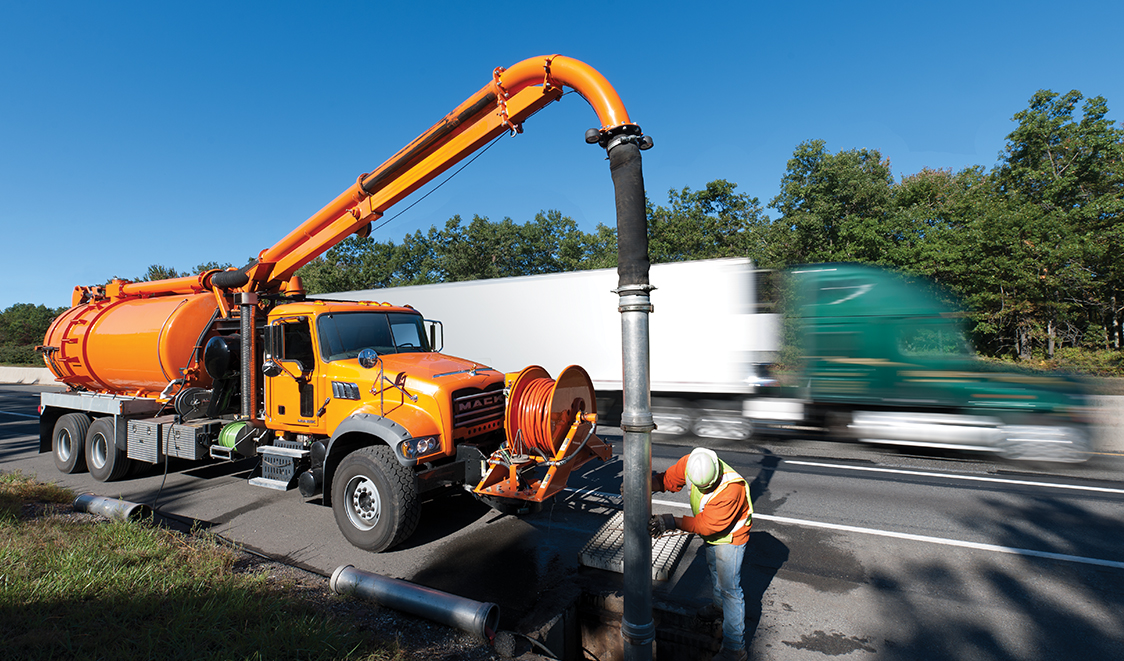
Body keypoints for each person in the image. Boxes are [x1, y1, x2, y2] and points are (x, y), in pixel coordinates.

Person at [650, 447, 752, 661]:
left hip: (731, 538)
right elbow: (668, 480)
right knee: (714, 568)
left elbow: (705, 526)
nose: (703, 490)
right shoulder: (691, 463)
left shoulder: (732, 489)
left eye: (707, 487)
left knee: (730, 589)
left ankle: (735, 648)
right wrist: (644, 486)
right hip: (715, 531)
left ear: (717, 472)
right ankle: (718, 607)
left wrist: (671, 521)